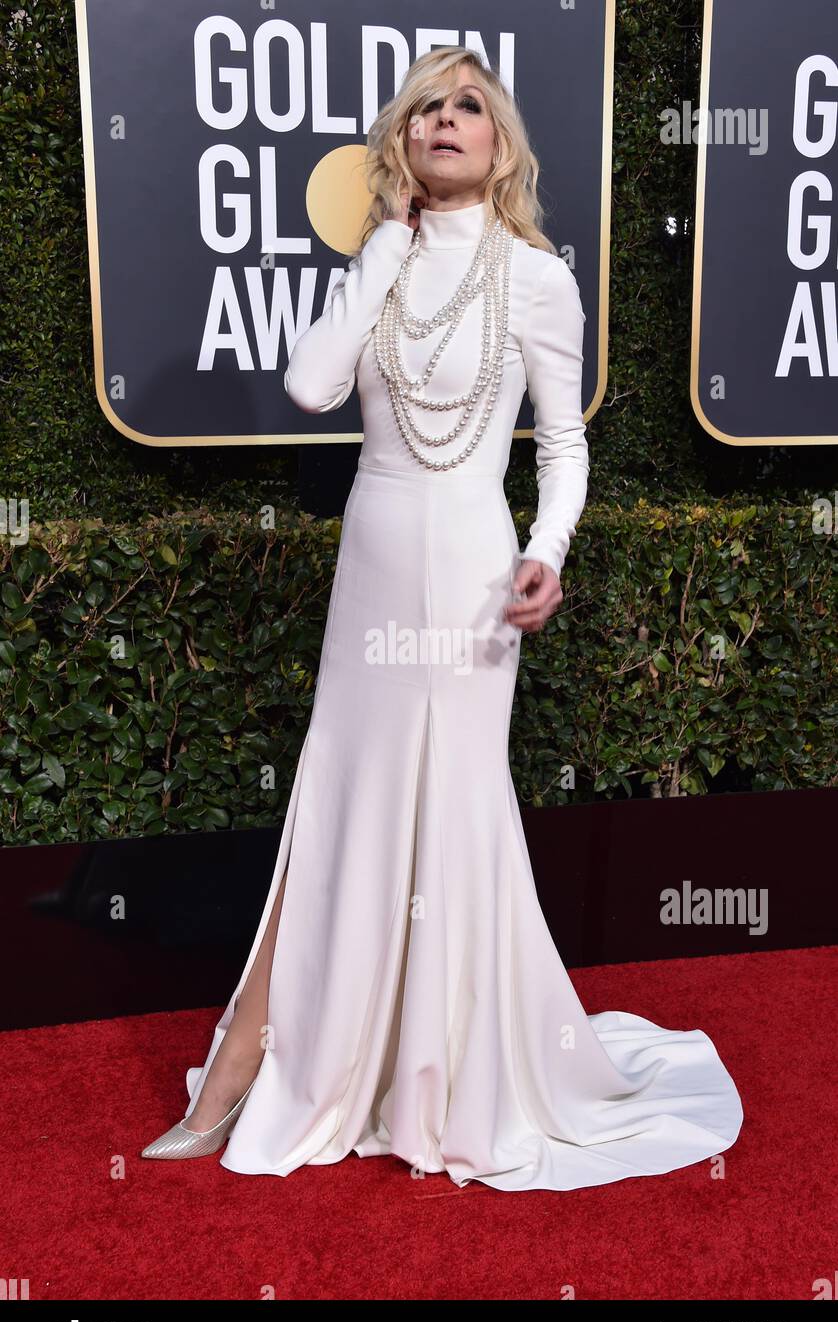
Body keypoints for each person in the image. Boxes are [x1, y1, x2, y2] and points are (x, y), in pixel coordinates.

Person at [141, 47, 743, 1190]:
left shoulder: (538, 280)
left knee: (455, 814)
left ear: (501, 141)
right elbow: (314, 386)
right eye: (425, 108)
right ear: (401, 142)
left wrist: (543, 552)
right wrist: (378, 255)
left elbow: (562, 448)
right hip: (373, 559)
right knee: (340, 808)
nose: (447, 120)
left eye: (469, 105)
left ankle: (441, 1073)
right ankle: (245, 1067)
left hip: (473, 569)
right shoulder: (379, 260)